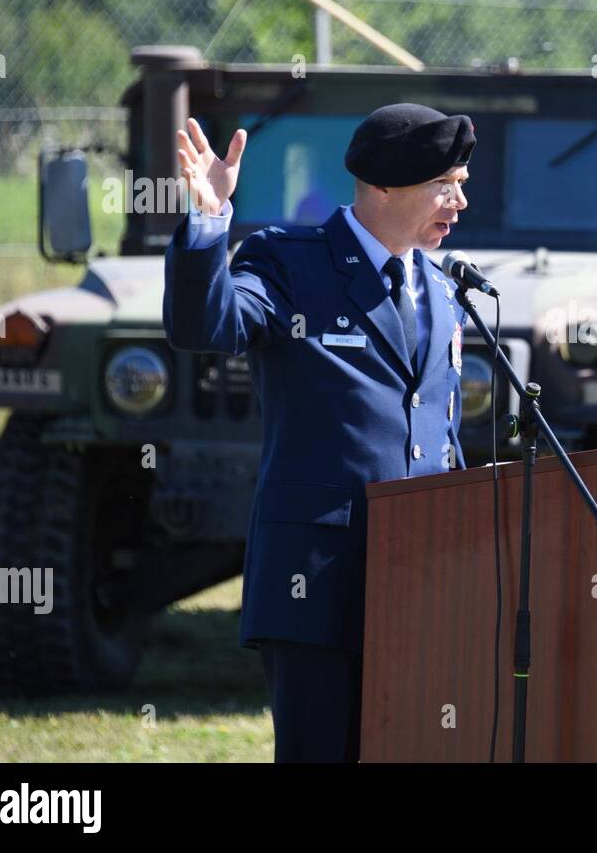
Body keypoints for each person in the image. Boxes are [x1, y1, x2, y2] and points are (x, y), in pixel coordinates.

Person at [163, 103, 475, 762]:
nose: (460, 200)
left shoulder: (447, 291)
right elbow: (207, 327)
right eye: (445, 184)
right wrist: (208, 222)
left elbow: (438, 439)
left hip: (424, 586)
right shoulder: (290, 262)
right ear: (385, 184)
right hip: (317, 585)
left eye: (462, 182)